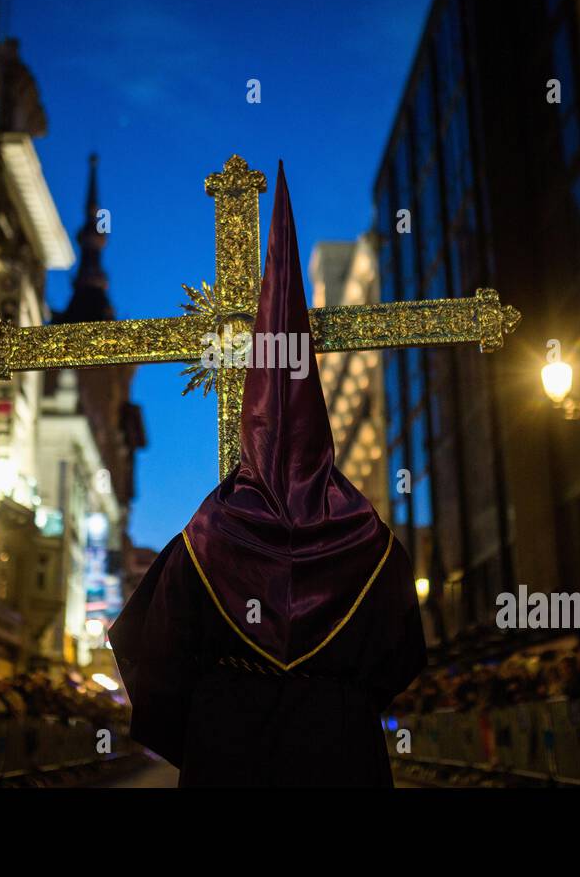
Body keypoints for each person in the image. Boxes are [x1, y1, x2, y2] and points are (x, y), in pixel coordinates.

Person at [108, 164, 427, 787]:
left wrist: (214, 720)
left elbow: (159, 660)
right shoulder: (371, 538)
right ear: (322, 423)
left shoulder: (208, 535)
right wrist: (332, 701)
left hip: (228, 748)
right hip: (341, 751)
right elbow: (401, 654)